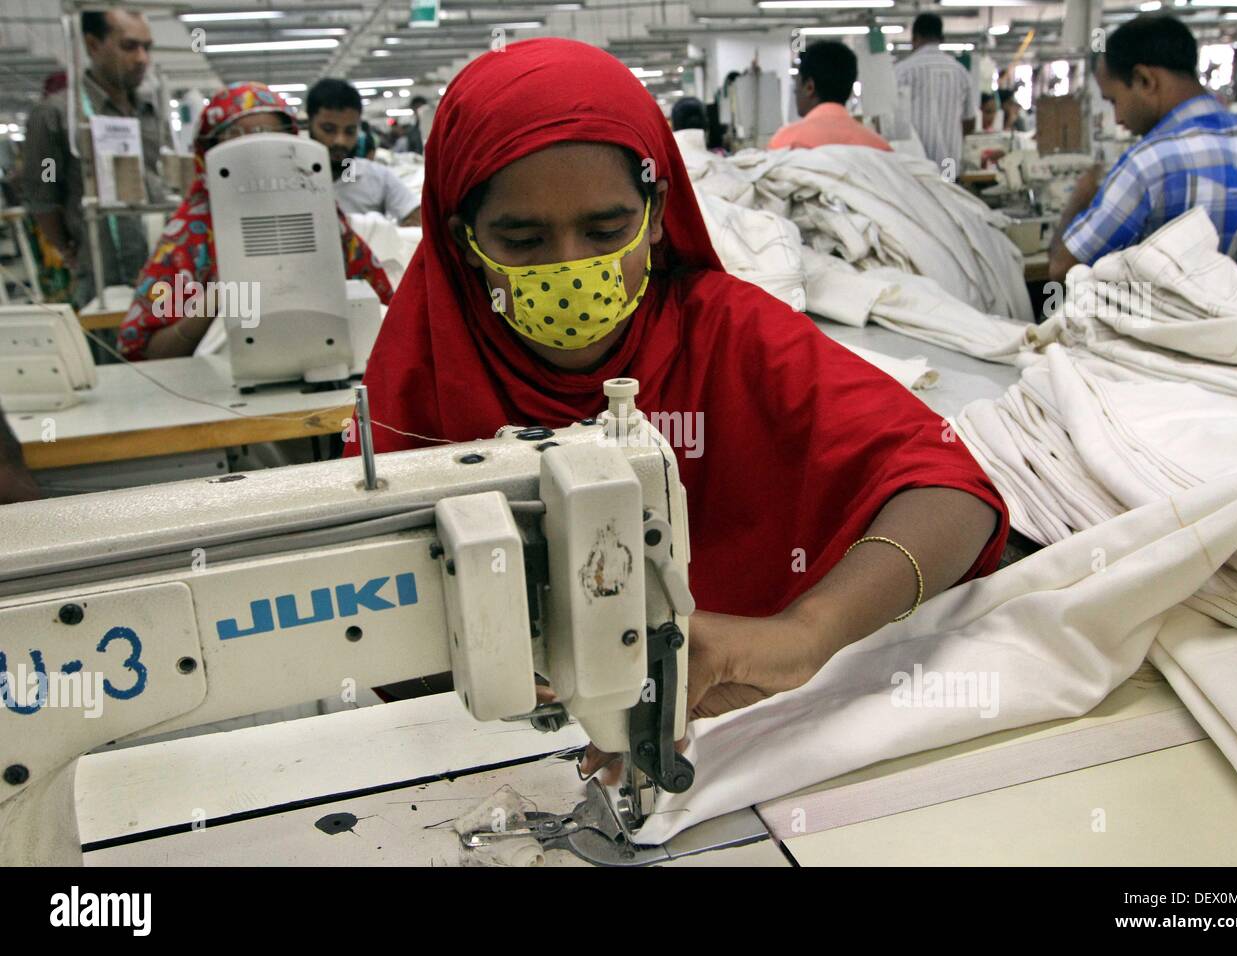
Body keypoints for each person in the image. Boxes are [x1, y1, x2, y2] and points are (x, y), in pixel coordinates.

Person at [354, 39, 1009, 724]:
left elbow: (953, 493)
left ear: (658, 212)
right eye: (522, 242)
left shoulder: (730, 335)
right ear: (463, 240)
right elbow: (361, 612)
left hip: (732, 720)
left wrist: (806, 634)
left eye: (606, 229)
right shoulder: (415, 384)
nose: (570, 266)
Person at [116, 83, 394, 360]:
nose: (259, 158)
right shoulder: (190, 239)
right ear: (209, 150)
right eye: (240, 141)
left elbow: (381, 304)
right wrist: (216, 299)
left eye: (274, 140)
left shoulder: (321, 218)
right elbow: (144, 352)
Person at [1049, 15, 1237, 282]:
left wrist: (1081, 195)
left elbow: (1062, 269)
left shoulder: (1148, 163)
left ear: (1145, 80)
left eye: (1113, 100)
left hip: (1178, 325)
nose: (1118, 118)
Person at [22, 9, 165, 308]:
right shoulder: (54, 116)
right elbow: (43, 193)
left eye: (146, 47)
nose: (142, 59)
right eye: (129, 46)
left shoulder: (150, 112)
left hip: (161, 269)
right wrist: (69, 250)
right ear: (92, 45)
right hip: (102, 276)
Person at [306, 78, 420, 226]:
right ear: (309, 125)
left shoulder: (377, 177)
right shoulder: (287, 179)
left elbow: (416, 216)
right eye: (329, 129)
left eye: (350, 131)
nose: (340, 141)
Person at [769, 41, 892, 151]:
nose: (796, 92)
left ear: (809, 87)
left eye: (797, 85)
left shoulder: (785, 142)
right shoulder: (879, 146)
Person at [894, 13, 975, 166]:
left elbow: (892, 123)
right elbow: (969, 121)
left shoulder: (902, 71)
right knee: (948, 187)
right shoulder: (961, 72)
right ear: (942, 38)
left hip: (915, 166)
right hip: (949, 163)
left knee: (916, 190)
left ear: (914, 38)